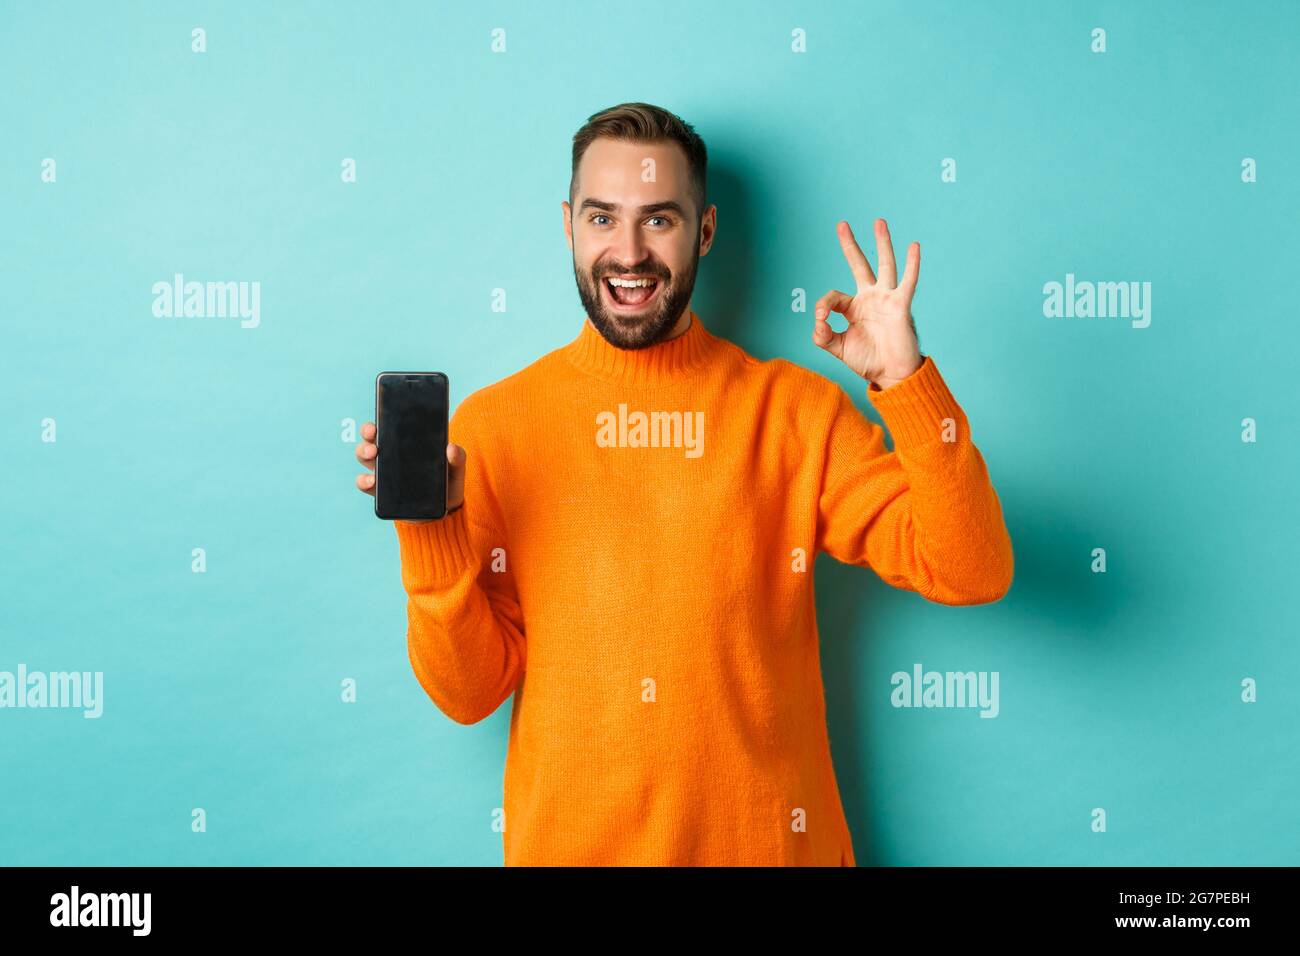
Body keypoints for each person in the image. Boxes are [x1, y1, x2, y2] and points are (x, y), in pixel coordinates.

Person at [354, 102, 1014, 866]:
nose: (627, 253)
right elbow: (468, 694)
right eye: (602, 218)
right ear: (569, 225)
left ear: (703, 231)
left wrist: (906, 384)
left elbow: (973, 568)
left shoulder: (793, 414)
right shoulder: (497, 426)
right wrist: (430, 530)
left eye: (658, 220)